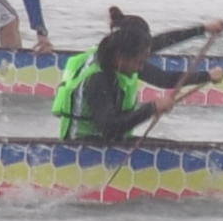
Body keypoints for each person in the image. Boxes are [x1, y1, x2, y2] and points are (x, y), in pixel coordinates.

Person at [54, 9, 203, 144]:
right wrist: (151, 108)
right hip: (82, 146)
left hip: (105, 140)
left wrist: (203, 29)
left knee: (173, 146)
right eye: (139, 62)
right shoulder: (98, 80)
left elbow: (164, 41)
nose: (141, 68)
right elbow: (110, 128)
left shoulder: (117, 57)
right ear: (121, 56)